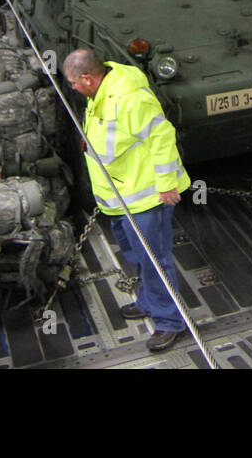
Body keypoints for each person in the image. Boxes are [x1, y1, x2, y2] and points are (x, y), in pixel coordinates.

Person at [64, 48, 192, 352]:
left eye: (73, 83)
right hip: (121, 197)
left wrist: (165, 185)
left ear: (87, 78)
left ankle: (169, 321)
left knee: (154, 260)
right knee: (136, 253)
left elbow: (161, 136)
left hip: (146, 196)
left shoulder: (128, 97)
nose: (72, 89)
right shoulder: (102, 91)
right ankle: (149, 300)